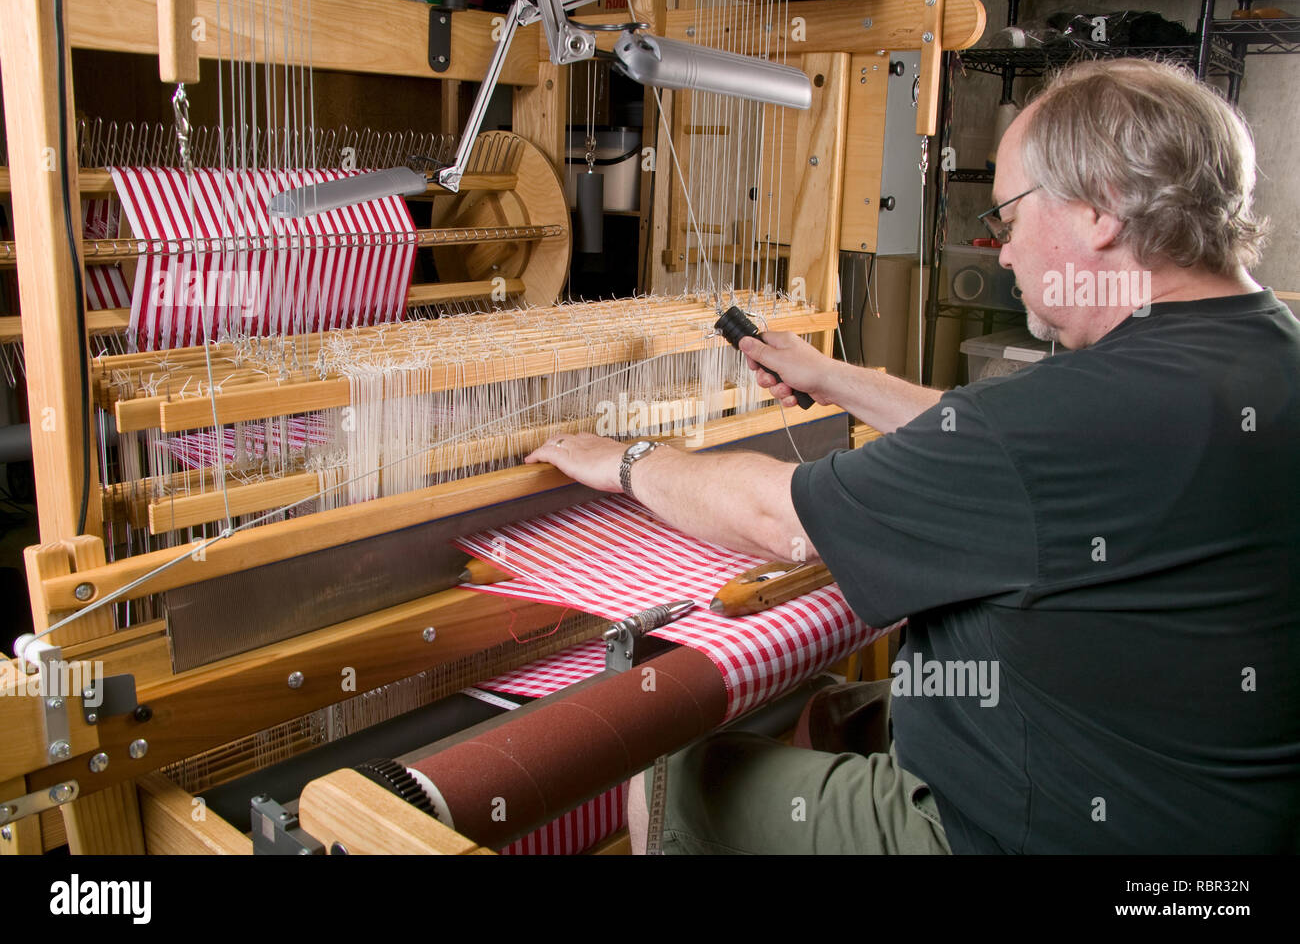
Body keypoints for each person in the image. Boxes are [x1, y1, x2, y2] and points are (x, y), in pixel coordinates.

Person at [525, 58, 1300, 854]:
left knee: (677, 765)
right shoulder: (1261, 350)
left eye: (1008, 217)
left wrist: (627, 461)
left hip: (1031, 832)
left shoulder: (1067, 415)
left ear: (1101, 209)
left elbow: (779, 520)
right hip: (1206, 814)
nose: (1003, 253)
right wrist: (834, 378)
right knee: (826, 710)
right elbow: (1011, 441)